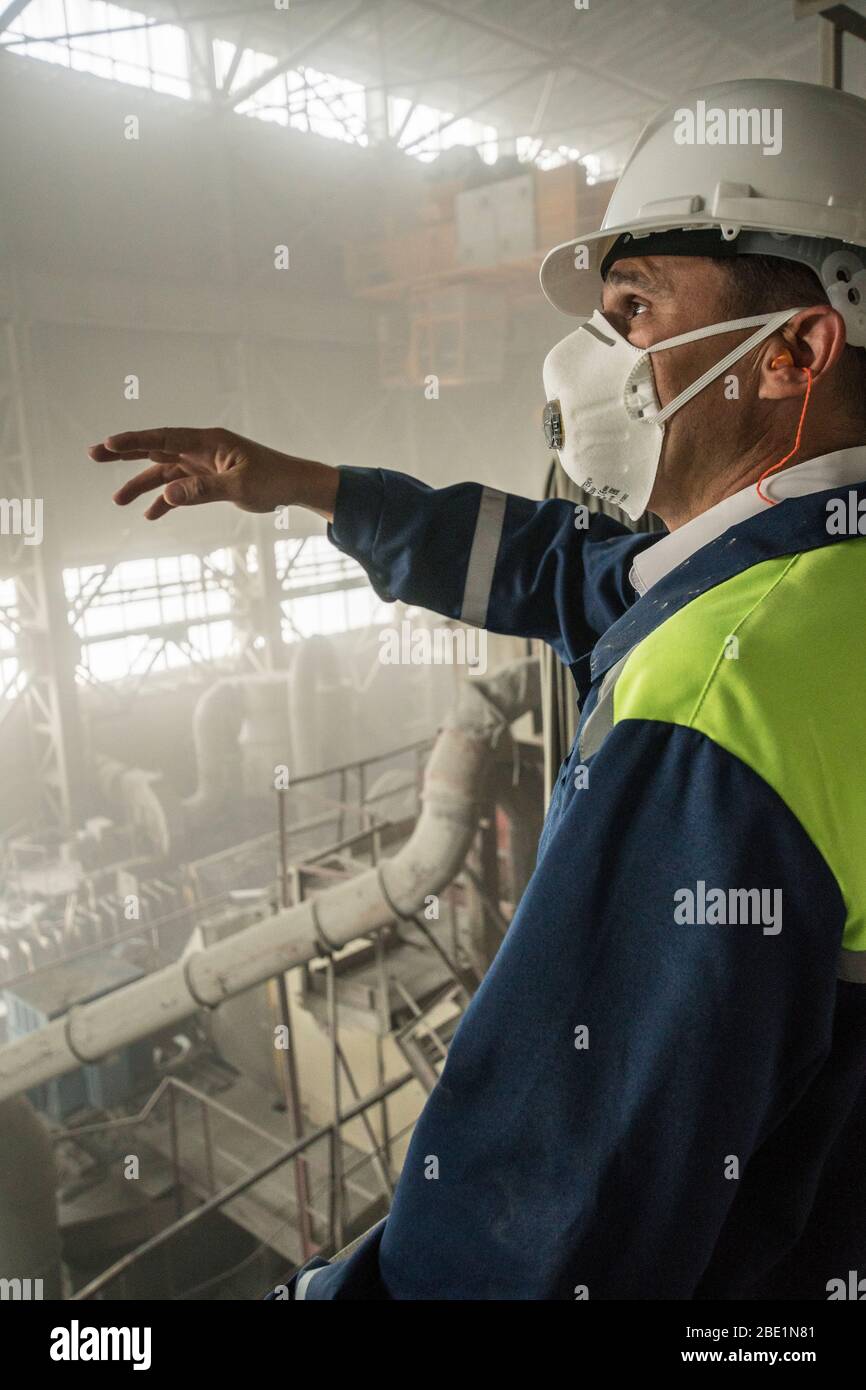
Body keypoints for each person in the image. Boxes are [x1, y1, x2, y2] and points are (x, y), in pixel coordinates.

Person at [90, 78, 866, 1299]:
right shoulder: (808, 571)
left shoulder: (713, 698)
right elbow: (570, 571)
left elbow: (538, 1219)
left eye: (635, 307)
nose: (596, 358)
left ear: (792, 352)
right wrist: (317, 486)